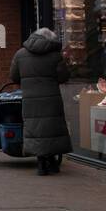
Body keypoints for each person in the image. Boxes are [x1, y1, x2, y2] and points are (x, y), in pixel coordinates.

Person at [9, 26, 72, 176]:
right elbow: (64, 77)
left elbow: (14, 77)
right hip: (51, 98)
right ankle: (51, 161)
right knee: (51, 129)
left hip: (30, 99)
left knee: (35, 128)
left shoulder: (20, 54)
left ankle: (41, 163)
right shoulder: (55, 56)